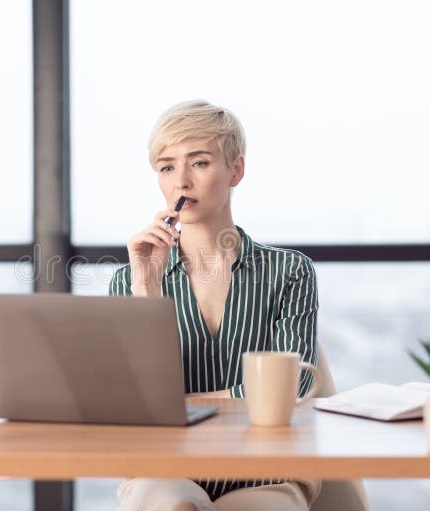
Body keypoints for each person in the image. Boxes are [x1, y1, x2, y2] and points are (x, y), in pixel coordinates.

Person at [109, 100, 320, 511]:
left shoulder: (290, 271)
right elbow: (137, 402)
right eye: (167, 167)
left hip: (266, 471)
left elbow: (291, 387)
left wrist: (188, 404)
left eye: (199, 163)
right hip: (165, 469)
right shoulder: (129, 281)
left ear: (236, 170)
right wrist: (147, 293)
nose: (181, 182)